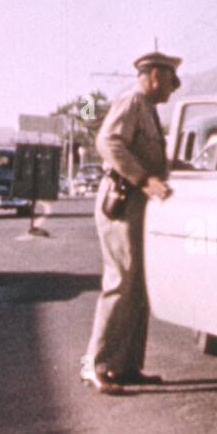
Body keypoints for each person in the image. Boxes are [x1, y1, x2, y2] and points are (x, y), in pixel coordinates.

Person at [81, 51, 181, 394]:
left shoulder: (147, 109)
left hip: (137, 205)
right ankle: (99, 365)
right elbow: (107, 141)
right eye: (170, 80)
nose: (173, 88)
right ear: (154, 75)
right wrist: (143, 179)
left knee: (137, 285)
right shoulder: (133, 101)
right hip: (122, 201)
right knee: (121, 281)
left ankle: (126, 366)